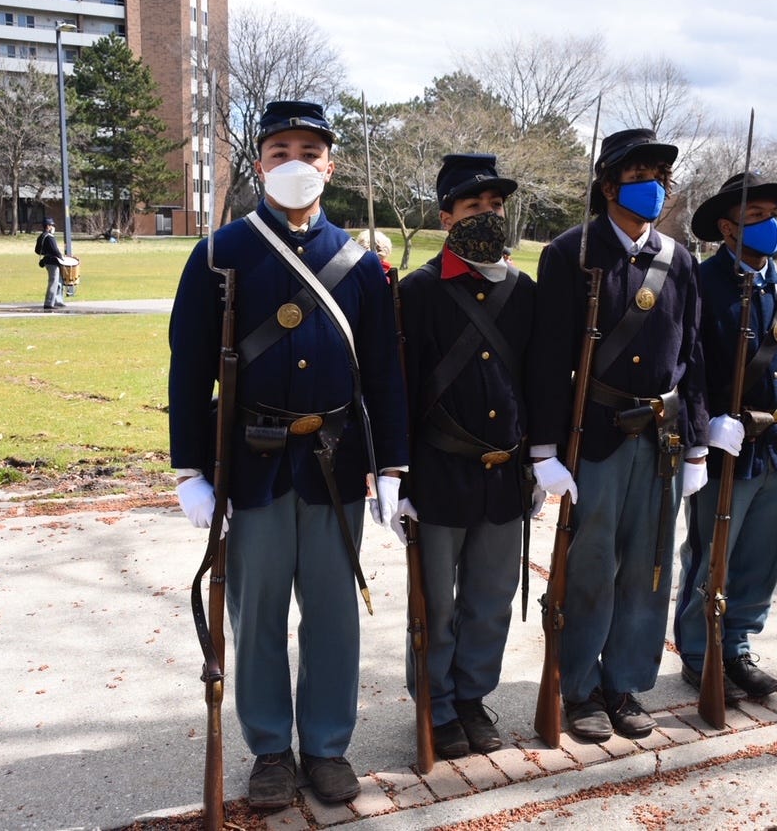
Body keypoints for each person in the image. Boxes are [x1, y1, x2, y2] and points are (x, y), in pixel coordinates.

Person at [168, 100, 407, 808]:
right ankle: (271, 749)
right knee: (258, 618)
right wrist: (190, 470)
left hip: (336, 461)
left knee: (334, 616)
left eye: (309, 152)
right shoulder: (219, 253)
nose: (295, 163)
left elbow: (384, 373)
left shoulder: (362, 265)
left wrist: (392, 466)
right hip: (253, 465)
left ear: (330, 167)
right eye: (281, 152)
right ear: (259, 164)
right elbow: (189, 370)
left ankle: (328, 747)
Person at [526, 128, 708, 742]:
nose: (653, 186)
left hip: (662, 440)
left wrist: (698, 441)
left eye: (660, 175)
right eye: (639, 175)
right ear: (608, 186)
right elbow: (549, 357)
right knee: (592, 566)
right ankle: (579, 688)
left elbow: (693, 354)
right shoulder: (570, 252)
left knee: (648, 567)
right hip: (596, 435)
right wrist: (545, 448)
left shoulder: (680, 259)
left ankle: (624, 683)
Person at [394, 153, 536, 759]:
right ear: (446, 216)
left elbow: (537, 383)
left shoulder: (524, 292)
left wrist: (539, 459)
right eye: (474, 205)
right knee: (436, 603)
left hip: (505, 474)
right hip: (438, 473)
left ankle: (473, 697)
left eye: (496, 205)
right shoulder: (416, 292)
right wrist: (397, 478)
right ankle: (437, 703)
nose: (488, 215)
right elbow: (399, 390)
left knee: (491, 598)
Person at [674, 172, 777, 702]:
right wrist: (705, 426)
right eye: (755, 216)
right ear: (727, 227)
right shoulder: (699, 282)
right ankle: (699, 653)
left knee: (761, 559)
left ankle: (736, 646)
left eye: (773, 215)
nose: (769, 225)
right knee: (711, 557)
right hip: (726, 447)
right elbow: (686, 367)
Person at [36, 218, 66, 309]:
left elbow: (37, 250)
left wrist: (46, 253)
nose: (53, 227)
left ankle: (57, 300)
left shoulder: (42, 236)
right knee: (53, 282)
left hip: (47, 261)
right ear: (48, 226)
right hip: (53, 262)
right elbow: (55, 250)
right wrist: (61, 257)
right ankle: (49, 303)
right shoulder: (49, 237)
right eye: (52, 225)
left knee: (58, 281)